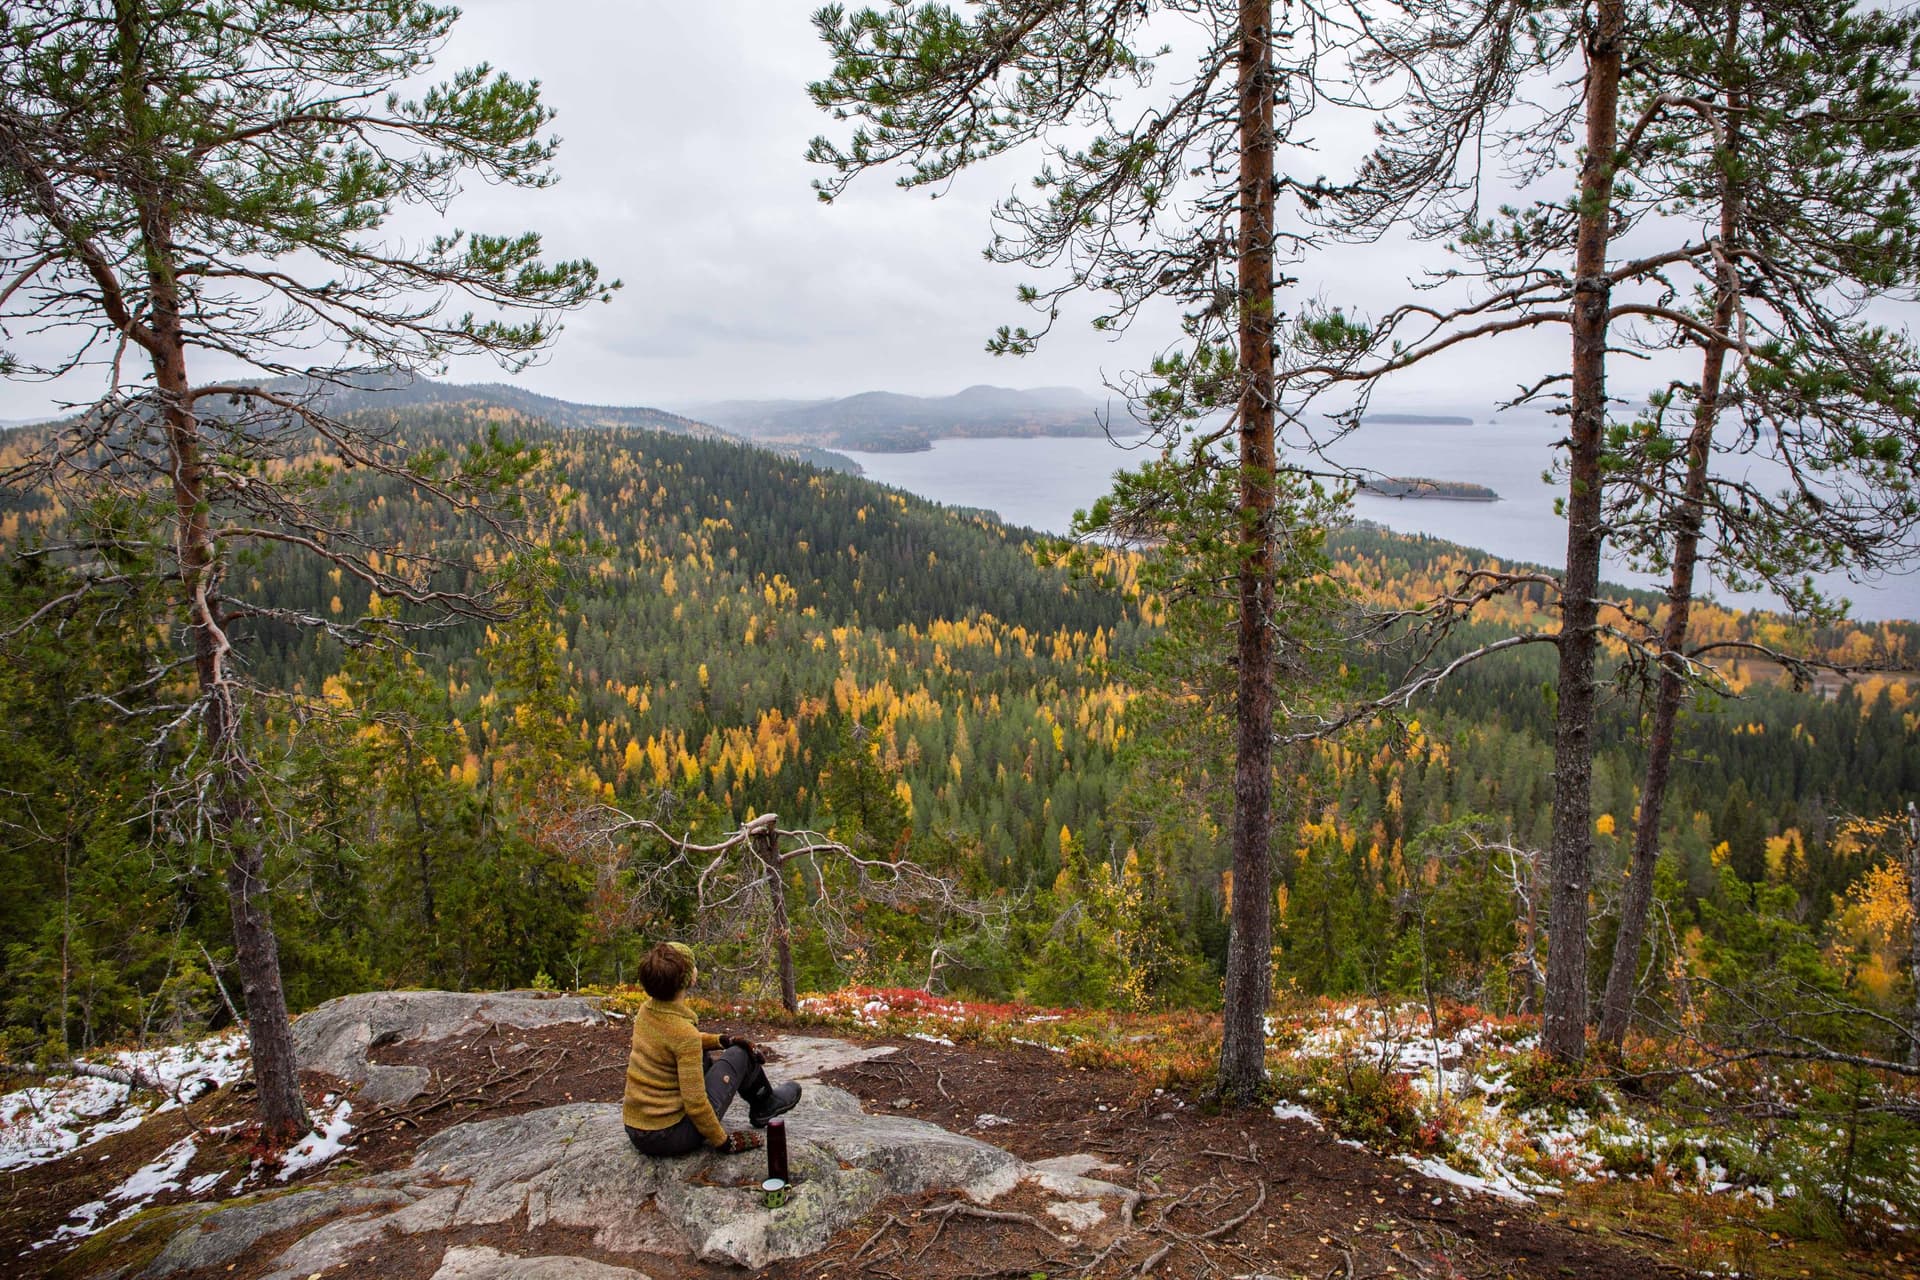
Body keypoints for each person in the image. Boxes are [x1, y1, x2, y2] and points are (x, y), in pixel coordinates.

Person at [622, 940, 802, 1157]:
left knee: (714, 1052)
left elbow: (671, 1042)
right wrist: (724, 1141)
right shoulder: (683, 1034)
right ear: (689, 979)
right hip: (671, 1135)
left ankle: (764, 1102)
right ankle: (766, 1104)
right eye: (693, 966)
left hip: (637, 1130)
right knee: (740, 1055)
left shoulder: (646, 1012)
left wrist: (722, 1040)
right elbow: (696, 1103)